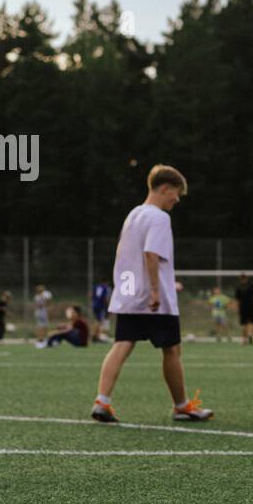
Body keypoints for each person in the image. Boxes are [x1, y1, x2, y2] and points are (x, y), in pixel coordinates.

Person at [91, 164, 214, 424]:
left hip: (129, 294)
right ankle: (181, 406)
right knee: (172, 349)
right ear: (165, 188)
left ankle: (102, 401)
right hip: (153, 298)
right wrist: (156, 291)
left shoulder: (134, 214)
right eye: (176, 193)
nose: (177, 199)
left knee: (122, 344)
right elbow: (151, 254)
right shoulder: (159, 217)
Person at [234, 274, 253, 344]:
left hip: (243, 307)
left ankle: (244, 339)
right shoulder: (251, 285)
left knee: (244, 323)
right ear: (246, 278)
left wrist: (237, 308)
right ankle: (250, 336)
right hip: (251, 306)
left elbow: (237, 299)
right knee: (250, 322)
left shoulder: (238, 287)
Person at [91, 277, 112, 342]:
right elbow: (106, 298)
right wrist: (109, 306)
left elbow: (91, 295)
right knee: (100, 321)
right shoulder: (106, 287)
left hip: (95, 305)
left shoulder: (96, 286)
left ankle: (95, 335)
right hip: (101, 306)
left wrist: (94, 302)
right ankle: (97, 336)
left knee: (97, 320)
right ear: (106, 282)